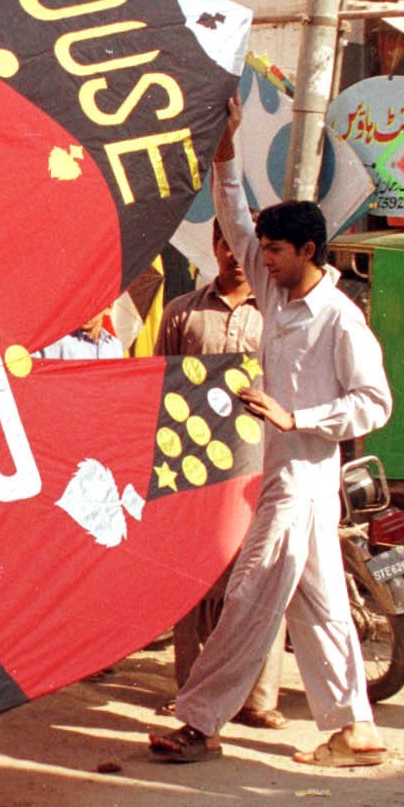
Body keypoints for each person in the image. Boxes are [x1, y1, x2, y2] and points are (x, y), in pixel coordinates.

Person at [150, 98, 393, 767]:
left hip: (304, 477)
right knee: (320, 610)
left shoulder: (339, 319)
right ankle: (355, 729)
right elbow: (230, 211)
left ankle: (198, 721)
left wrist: (300, 418)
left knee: (250, 590)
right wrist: (226, 147)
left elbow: (376, 403)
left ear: (308, 251)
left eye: (276, 250)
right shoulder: (276, 287)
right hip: (286, 475)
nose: (262, 258)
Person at [157, 221, 286, 730]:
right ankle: (191, 690)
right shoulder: (182, 312)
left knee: (258, 576)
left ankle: (259, 698)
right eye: (225, 246)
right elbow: (155, 387)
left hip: (260, 466)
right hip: (192, 467)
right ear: (212, 248)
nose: (234, 257)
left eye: (244, 249)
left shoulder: (276, 316)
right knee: (190, 578)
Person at [38, 310, 125, 361]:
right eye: (84, 304)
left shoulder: (115, 345)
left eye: (93, 305)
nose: (86, 312)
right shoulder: (57, 341)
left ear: (109, 308)